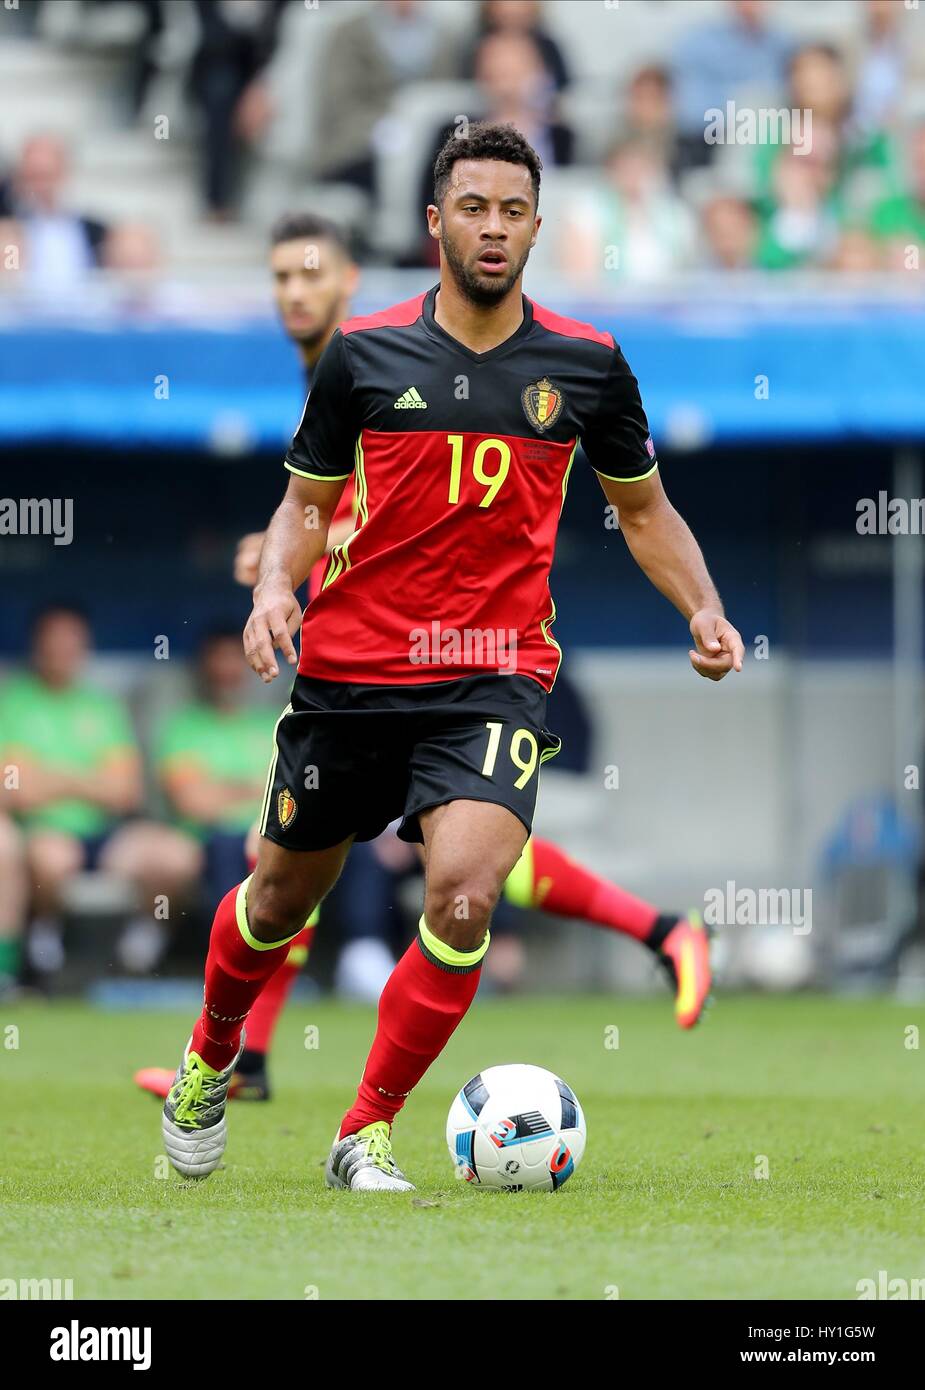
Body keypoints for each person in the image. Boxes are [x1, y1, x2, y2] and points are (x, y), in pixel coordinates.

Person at [159, 123, 743, 1191]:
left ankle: (364, 1128)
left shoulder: (588, 366)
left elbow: (646, 510)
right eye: (472, 207)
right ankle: (211, 1057)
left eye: (512, 210)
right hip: (350, 670)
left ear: (534, 225)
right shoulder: (365, 355)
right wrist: (276, 586)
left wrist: (703, 607)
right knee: (279, 897)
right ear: (436, 223)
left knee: (464, 893)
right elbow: (304, 502)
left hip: (493, 670)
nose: (492, 228)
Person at [0, 605, 200, 977]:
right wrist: (88, 780)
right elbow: (17, 791)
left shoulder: (103, 706)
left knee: (177, 854)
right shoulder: (14, 702)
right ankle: (45, 940)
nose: (62, 648)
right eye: (53, 639)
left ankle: (141, 946)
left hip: (106, 835)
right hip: (44, 831)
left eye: (71, 640)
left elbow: (125, 791)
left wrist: (54, 777)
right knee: (54, 856)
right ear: (37, 645)